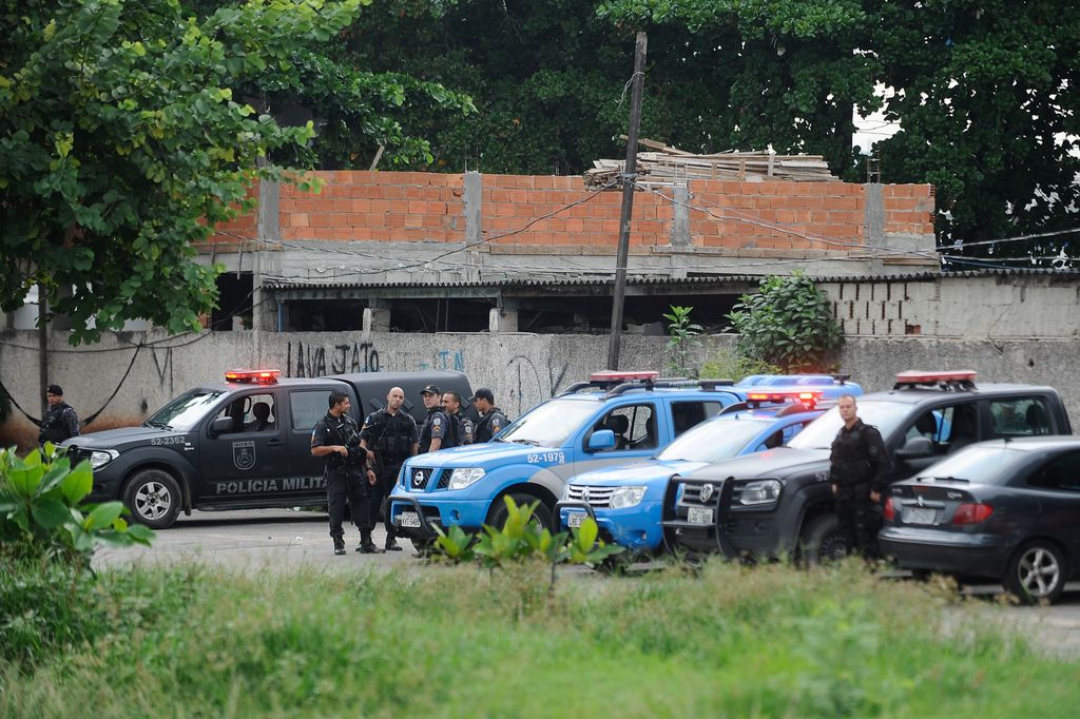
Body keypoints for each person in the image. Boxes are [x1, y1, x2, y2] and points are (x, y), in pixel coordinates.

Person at [310, 390, 380, 555]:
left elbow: (357, 448)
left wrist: (368, 468)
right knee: (337, 507)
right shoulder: (322, 426)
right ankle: (338, 542)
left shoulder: (350, 423)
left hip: (355, 471)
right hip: (337, 472)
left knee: (362, 504)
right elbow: (315, 450)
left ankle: (366, 542)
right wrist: (334, 448)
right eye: (346, 403)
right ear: (336, 405)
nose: (349, 406)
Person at [829, 394, 890, 558]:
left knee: (865, 534)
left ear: (855, 408)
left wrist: (876, 489)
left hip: (863, 492)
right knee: (848, 533)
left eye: (848, 407)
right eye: (842, 407)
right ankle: (854, 569)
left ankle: (870, 569)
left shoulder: (868, 433)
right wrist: (834, 483)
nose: (845, 410)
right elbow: (835, 461)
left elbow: (883, 463)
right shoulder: (841, 435)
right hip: (844, 494)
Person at [359, 386, 419, 552]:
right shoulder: (374, 418)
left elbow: (414, 444)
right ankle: (365, 539)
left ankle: (391, 539)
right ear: (388, 397)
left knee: (394, 506)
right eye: (395, 396)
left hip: (399, 468)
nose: (398, 399)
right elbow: (362, 443)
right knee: (373, 504)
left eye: (401, 397)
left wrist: (411, 469)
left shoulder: (408, 420)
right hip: (379, 467)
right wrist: (369, 467)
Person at [418, 384, 456, 453]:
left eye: (430, 395)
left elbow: (436, 443)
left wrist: (427, 462)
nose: (427, 398)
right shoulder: (433, 415)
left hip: (436, 460)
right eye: (425, 396)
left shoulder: (437, 416)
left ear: (439, 397)